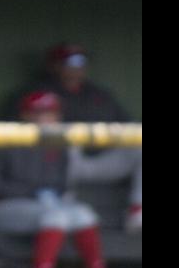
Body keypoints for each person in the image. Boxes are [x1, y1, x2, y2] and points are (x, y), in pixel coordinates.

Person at [0, 91, 110, 268]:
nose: (45, 119)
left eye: (50, 113)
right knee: (55, 217)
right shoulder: (2, 138)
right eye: (39, 113)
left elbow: (61, 184)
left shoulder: (57, 144)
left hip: (40, 208)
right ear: (25, 115)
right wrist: (32, 193)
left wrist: (46, 195)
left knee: (84, 214)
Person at [25, 43, 141, 232]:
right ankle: (64, 206)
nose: (77, 66)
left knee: (139, 141)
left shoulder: (99, 95)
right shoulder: (37, 93)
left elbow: (128, 125)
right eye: (70, 61)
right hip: (60, 163)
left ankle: (138, 210)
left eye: (81, 61)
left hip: (103, 160)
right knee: (66, 142)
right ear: (54, 65)